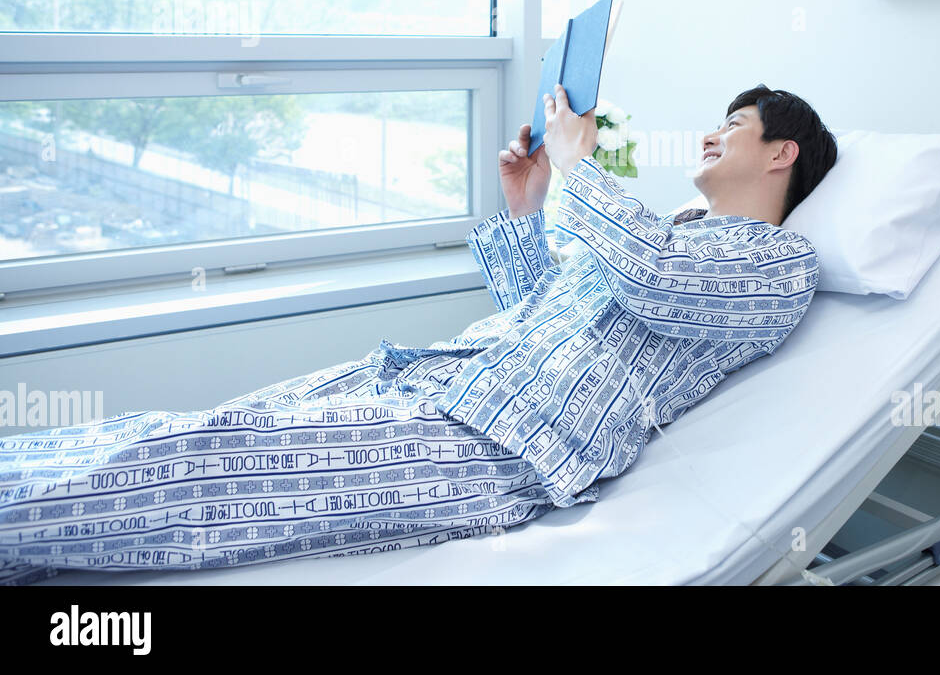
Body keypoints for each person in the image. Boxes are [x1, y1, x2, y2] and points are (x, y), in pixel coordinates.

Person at [0, 83, 836, 585]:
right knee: (185, 437)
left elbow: (653, 279)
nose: (709, 135)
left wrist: (585, 167)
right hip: (443, 379)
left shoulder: (777, 262)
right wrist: (532, 203)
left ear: (780, 153)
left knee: (185, 470)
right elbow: (538, 309)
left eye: (733, 125)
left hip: (503, 439)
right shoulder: (663, 227)